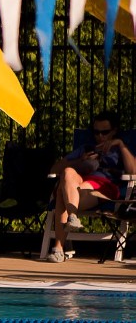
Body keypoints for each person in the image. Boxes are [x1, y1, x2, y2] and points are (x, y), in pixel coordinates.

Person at [46, 111, 136, 263]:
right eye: (96, 132)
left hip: (102, 188)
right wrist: (80, 161)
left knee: (61, 192)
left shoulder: (120, 150)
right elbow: (54, 169)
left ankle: (59, 248)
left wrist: (120, 145)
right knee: (67, 172)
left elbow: (133, 171)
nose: (100, 136)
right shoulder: (87, 148)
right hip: (78, 185)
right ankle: (72, 216)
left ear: (114, 131)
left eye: (105, 132)